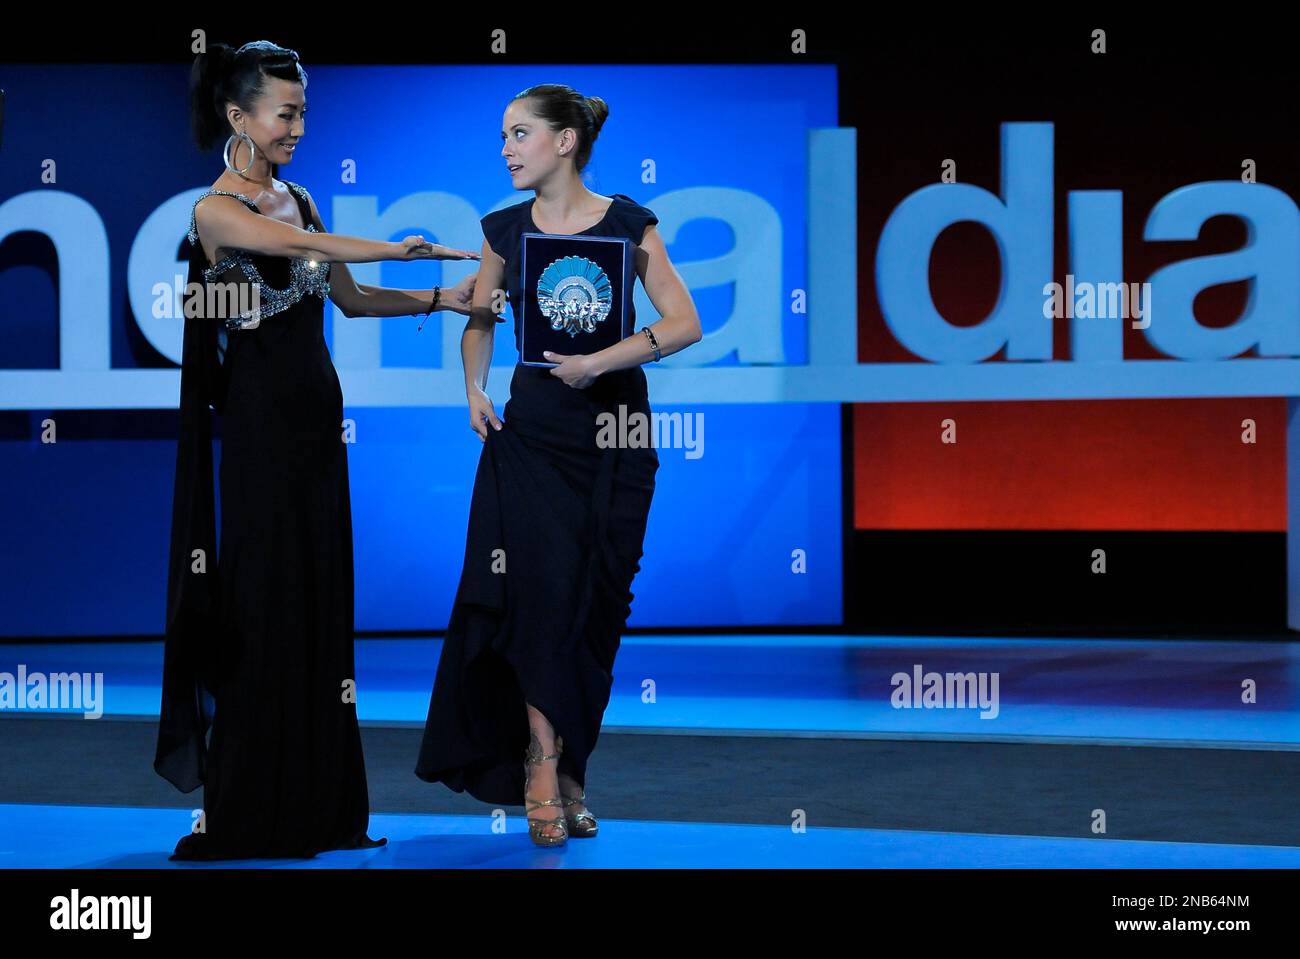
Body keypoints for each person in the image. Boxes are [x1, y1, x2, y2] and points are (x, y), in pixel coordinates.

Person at [155, 39, 479, 860]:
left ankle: (320, 798)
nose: (299, 126)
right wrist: (397, 244)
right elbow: (324, 255)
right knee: (264, 597)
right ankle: (260, 803)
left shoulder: (298, 193)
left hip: (314, 423)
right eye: (286, 111)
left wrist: (441, 297)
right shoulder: (214, 211)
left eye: (304, 111)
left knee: (317, 592)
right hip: (261, 428)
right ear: (239, 116)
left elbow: (350, 297)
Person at [416, 84, 702, 845]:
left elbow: (685, 321)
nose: (506, 148)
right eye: (502, 135)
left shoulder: (629, 223)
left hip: (615, 430)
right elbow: (481, 318)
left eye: (519, 134)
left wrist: (599, 360)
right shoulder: (504, 229)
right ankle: (540, 764)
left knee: (597, 601)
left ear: (565, 141)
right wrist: (471, 386)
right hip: (535, 433)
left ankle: (574, 764)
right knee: (540, 595)